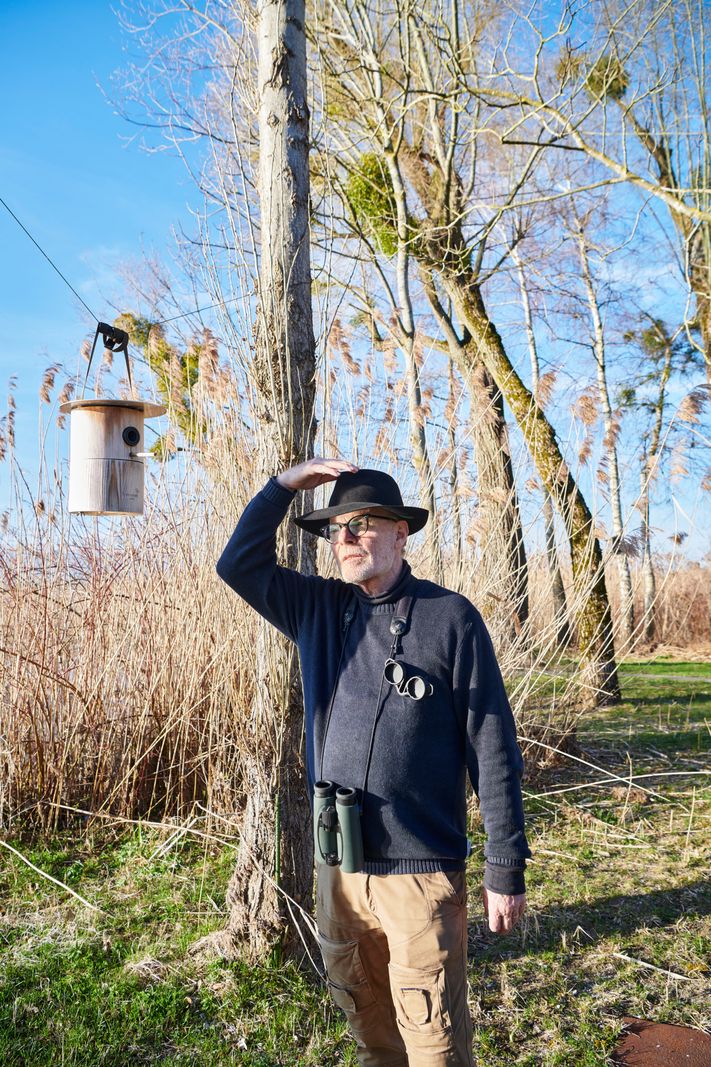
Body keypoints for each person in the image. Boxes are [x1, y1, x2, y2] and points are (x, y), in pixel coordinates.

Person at [216, 458, 530, 1067]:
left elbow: (492, 747)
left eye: (361, 524)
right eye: (335, 529)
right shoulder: (318, 611)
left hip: (419, 873)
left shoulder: (451, 619)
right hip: (339, 868)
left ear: (400, 534)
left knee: (434, 1042)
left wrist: (505, 868)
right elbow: (238, 565)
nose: (345, 539)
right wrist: (283, 487)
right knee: (371, 1034)